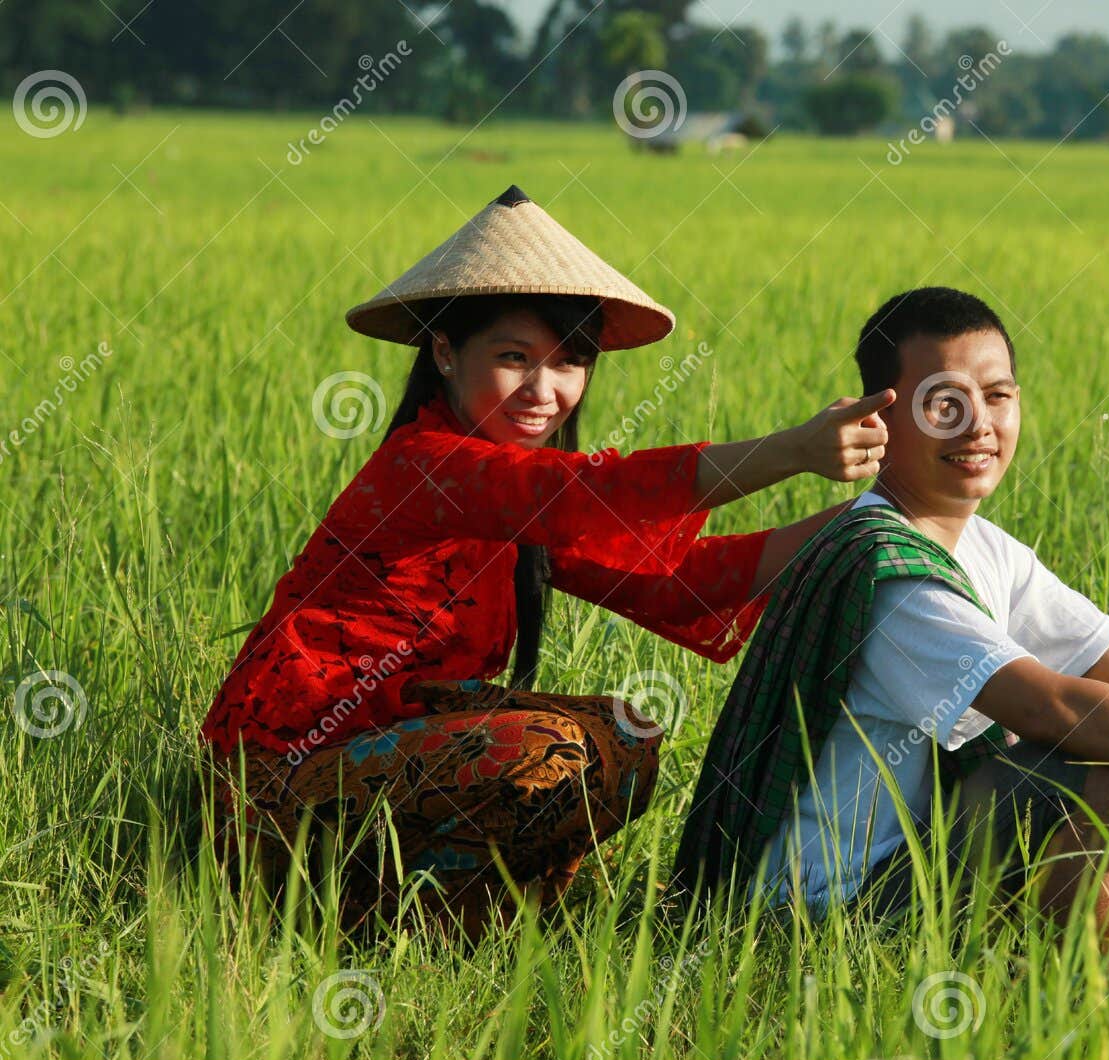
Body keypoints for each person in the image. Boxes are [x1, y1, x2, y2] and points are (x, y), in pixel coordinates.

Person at [199, 186, 895, 935]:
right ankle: (325, 903)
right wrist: (791, 451)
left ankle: (434, 922)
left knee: (626, 737)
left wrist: (881, 515)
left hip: (381, 754)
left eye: (570, 361)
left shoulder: (516, 496)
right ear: (443, 351)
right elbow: (584, 494)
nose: (545, 390)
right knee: (551, 751)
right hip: (273, 781)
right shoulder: (425, 468)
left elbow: (681, 586)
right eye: (512, 358)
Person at [672, 287, 1109, 966]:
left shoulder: (980, 545)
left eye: (998, 395)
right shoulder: (893, 575)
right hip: (818, 916)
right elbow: (1055, 707)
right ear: (876, 421)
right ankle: (1107, 1010)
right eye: (943, 401)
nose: (977, 423)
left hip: (910, 859)